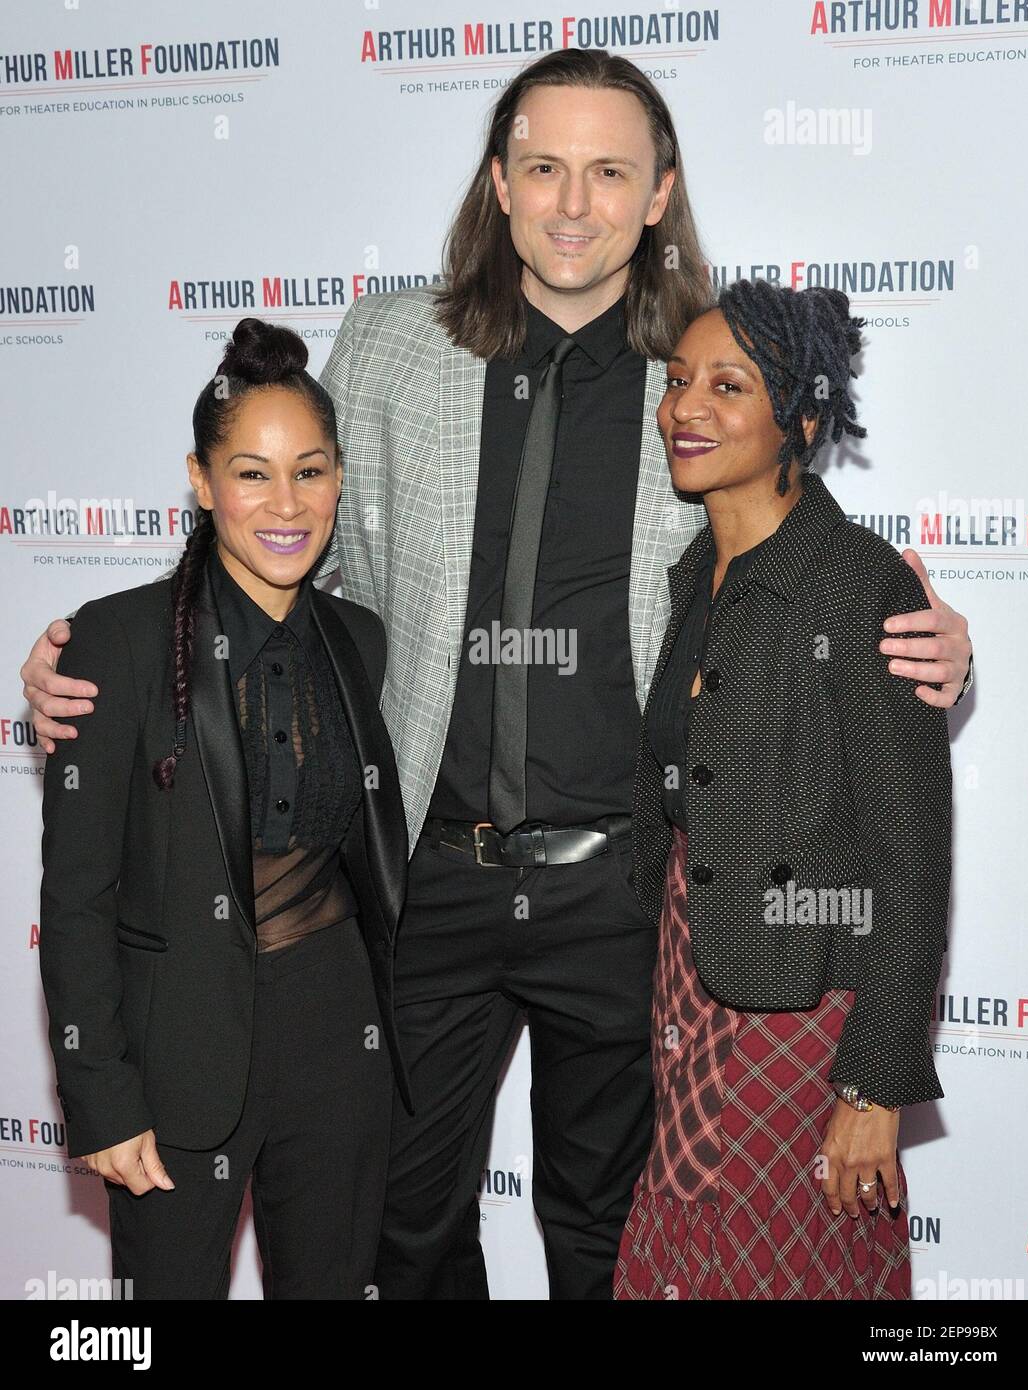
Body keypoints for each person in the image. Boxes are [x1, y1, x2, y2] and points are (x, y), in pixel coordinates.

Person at [22, 50, 973, 1301]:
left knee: (605, 1231)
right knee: (401, 1228)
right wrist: (122, 658)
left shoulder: (690, 373)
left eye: (609, 172)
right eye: (543, 168)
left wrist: (933, 634)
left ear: (658, 192)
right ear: (500, 181)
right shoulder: (386, 344)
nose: (572, 203)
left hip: (626, 895)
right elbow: (278, 527)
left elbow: (796, 538)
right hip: (424, 880)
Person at [37, 319, 410, 1299]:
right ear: (201, 482)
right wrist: (101, 1099)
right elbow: (74, 899)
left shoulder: (360, 640)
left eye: (311, 471)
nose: (286, 504)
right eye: (252, 473)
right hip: (175, 1062)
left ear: (338, 479)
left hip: (340, 1046)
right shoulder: (112, 645)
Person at [615, 279, 952, 1300]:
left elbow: (910, 851)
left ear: (801, 416)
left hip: (807, 1015)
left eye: (728, 385)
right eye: (678, 383)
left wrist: (872, 1082)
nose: (686, 409)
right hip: (691, 983)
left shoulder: (858, 583)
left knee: (784, 1265)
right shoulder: (689, 575)